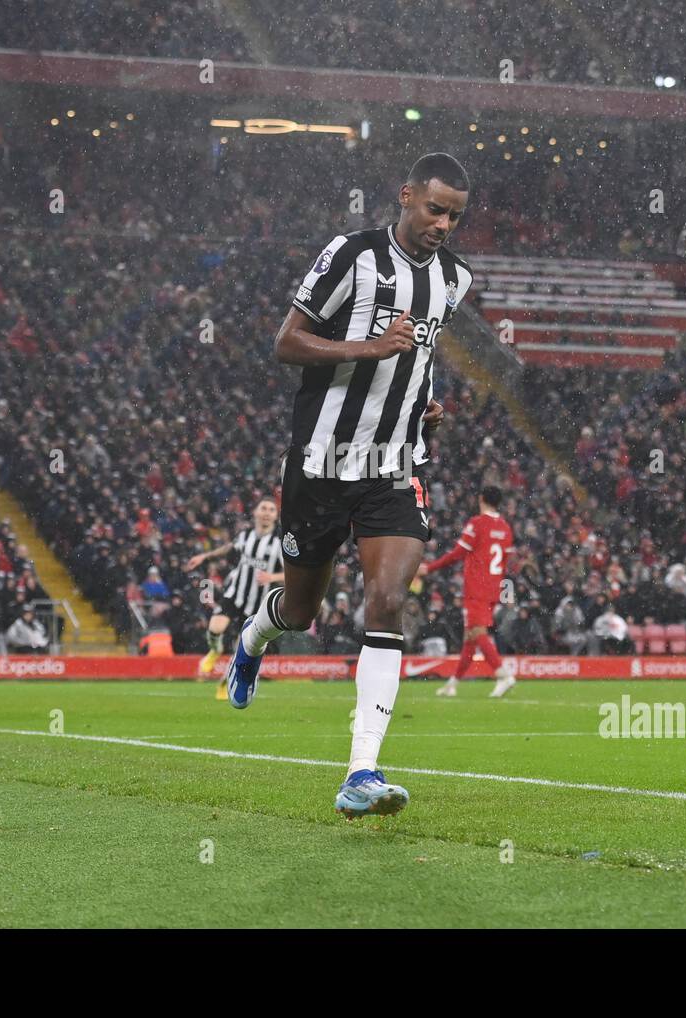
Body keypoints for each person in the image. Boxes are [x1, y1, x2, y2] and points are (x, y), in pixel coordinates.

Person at [223, 152, 474, 818]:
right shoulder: (352, 255)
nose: (443, 224)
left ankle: (362, 770)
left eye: (454, 216)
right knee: (301, 611)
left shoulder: (455, 279)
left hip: (394, 466)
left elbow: (418, 359)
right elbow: (288, 343)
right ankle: (253, 639)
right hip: (321, 463)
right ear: (406, 196)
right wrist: (367, 348)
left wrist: (425, 407)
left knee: (386, 600)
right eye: (435, 209)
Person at [417, 485, 516, 698]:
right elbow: (505, 562)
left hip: (476, 588)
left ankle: (503, 675)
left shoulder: (477, 523)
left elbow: (457, 553)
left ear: (481, 499)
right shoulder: (505, 527)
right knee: (470, 638)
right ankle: (452, 684)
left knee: (478, 634)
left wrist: (429, 568)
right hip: (493, 588)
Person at [183, 498, 284, 699]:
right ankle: (215, 650)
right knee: (214, 628)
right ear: (255, 512)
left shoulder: (278, 544)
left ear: (275, 516)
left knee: (242, 648)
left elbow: (291, 573)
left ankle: (224, 684)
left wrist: (272, 577)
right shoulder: (245, 536)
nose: (266, 512)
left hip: (257, 604)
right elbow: (228, 548)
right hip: (234, 595)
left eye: (271, 510)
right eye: (263, 508)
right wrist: (204, 557)